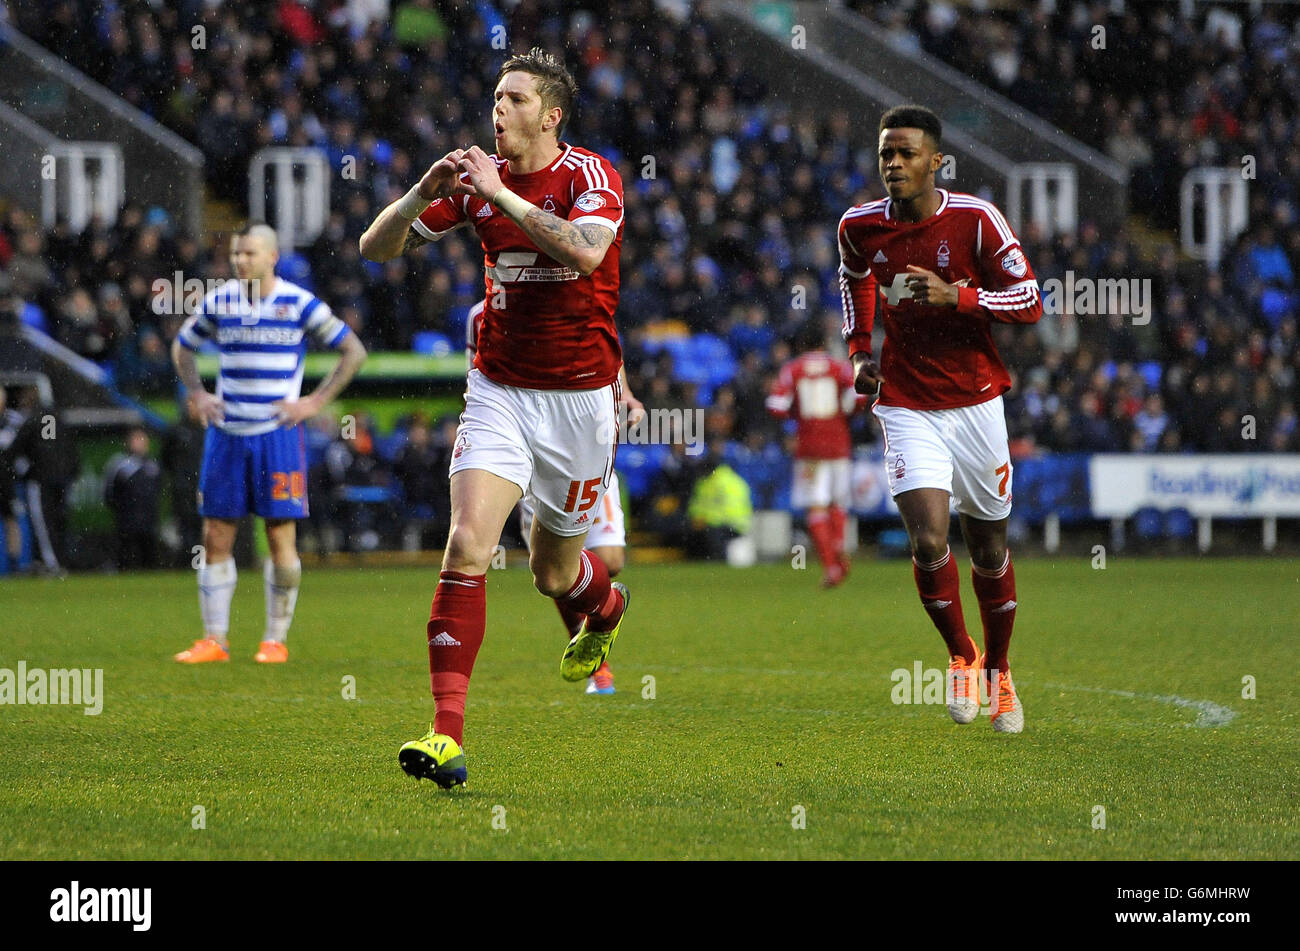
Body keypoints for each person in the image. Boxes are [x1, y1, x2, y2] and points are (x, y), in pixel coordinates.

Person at [360, 48, 630, 787]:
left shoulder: (592, 177)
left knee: (552, 572)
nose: (498, 110)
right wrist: (420, 194)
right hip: (499, 392)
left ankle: (603, 606)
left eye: (514, 99)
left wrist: (499, 196)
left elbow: (583, 252)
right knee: (467, 544)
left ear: (551, 114)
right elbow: (373, 249)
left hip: (580, 402)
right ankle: (445, 735)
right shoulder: (476, 186)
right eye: (495, 98)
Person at [837, 105, 1042, 733]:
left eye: (905, 154)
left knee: (989, 549)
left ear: (936, 162)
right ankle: (960, 654)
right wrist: (858, 350)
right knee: (928, 541)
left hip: (977, 402)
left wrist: (961, 296)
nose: (892, 164)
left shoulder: (977, 221)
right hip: (905, 401)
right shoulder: (859, 226)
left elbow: (1030, 300)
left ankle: (999, 671)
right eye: (885, 155)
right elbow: (853, 280)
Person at [170, 222, 367, 664]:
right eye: (237, 254)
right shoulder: (219, 302)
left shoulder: (297, 303)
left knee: (280, 536)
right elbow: (183, 348)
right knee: (216, 534)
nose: (240, 261)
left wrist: (314, 402)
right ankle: (214, 640)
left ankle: (274, 639)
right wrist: (197, 393)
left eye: (249, 254)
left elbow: (352, 350)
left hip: (278, 435)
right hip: (227, 434)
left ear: (272, 257)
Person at [464, 298, 640, 695]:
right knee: (553, 571)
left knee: (609, 559)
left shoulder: (580, 293)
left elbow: (609, 351)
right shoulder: (479, 317)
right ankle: (598, 664)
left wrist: (626, 395)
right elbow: (476, 374)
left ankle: (607, 608)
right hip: (531, 452)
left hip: (588, 440)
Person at [766, 321, 865, 588]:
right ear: (823, 342)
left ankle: (832, 564)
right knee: (838, 503)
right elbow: (858, 395)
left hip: (809, 447)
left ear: (800, 344)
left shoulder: (793, 370)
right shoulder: (838, 367)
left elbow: (775, 404)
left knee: (816, 506)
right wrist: (846, 415)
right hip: (839, 444)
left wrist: (796, 416)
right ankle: (839, 549)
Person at [103, 427, 162, 570]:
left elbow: (158, 490)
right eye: (136, 439)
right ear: (128, 442)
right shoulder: (120, 464)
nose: (140, 443)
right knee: (126, 555)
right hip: (127, 519)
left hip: (149, 519)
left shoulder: (153, 465)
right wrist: (122, 509)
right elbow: (109, 492)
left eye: (142, 439)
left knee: (149, 558)